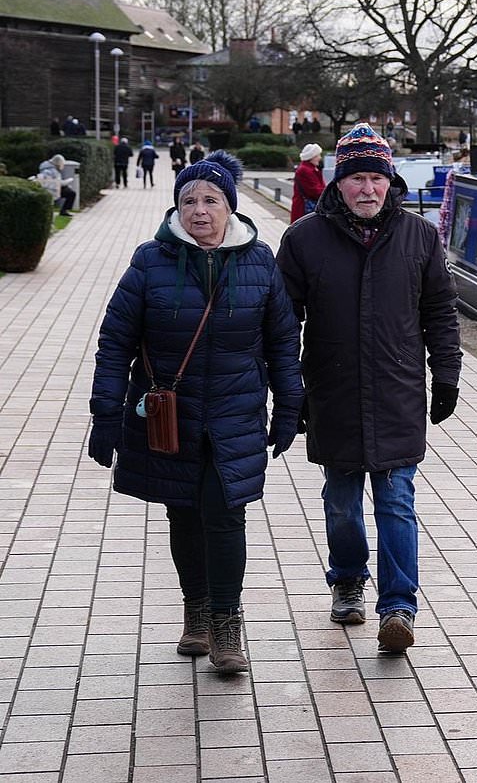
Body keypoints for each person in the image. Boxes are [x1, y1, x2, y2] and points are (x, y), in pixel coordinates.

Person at [87, 151, 303, 675]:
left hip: (235, 412)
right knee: (183, 512)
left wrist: (289, 406)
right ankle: (197, 609)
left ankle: (228, 622)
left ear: (230, 206)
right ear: (176, 207)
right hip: (170, 415)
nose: (199, 210)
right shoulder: (150, 261)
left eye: (211, 200)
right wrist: (105, 416)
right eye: (189, 200)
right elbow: (115, 342)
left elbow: (282, 340)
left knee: (225, 512)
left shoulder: (259, 261)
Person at [278, 124, 461, 653]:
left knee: (396, 499)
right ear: (338, 183)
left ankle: (399, 606)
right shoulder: (304, 239)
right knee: (340, 500)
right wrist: (289, 390)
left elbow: (440, 312)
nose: (366, 189)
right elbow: (281, 321)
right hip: (332, 392)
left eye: (375, 178)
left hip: (397, 390)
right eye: (355, 177)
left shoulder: (419, 236)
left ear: (390, 181)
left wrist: (445, 372)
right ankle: (347, 579)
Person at [290, 144, 325, 222]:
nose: (320, 158)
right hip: (304, 209)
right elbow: (315, 191)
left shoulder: (310, 169)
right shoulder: (306, 170)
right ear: (311, 157)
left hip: (305, 207)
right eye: (318, 155)